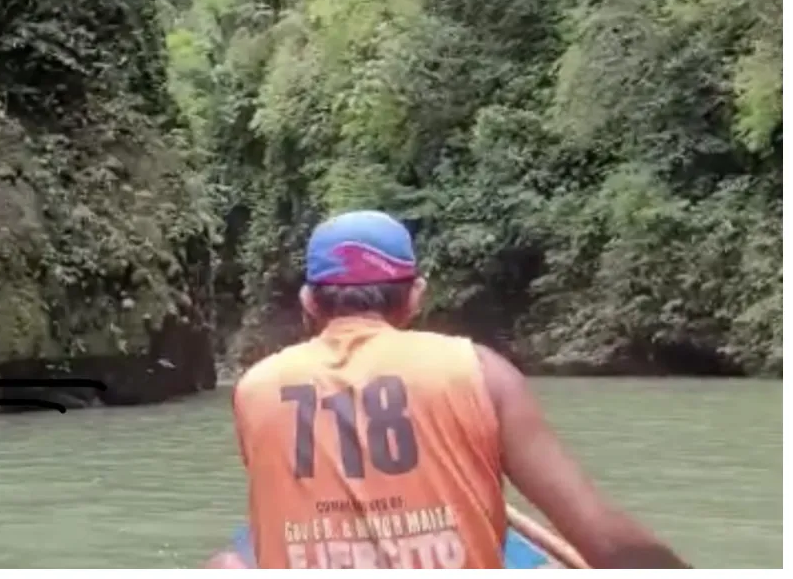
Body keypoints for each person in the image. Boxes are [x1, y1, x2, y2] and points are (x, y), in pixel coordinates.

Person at [230, 210, 689, 569]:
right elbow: (607, 542)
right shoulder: (480, 371)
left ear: (309, 301)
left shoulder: (256, 389)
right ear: (415, 295)